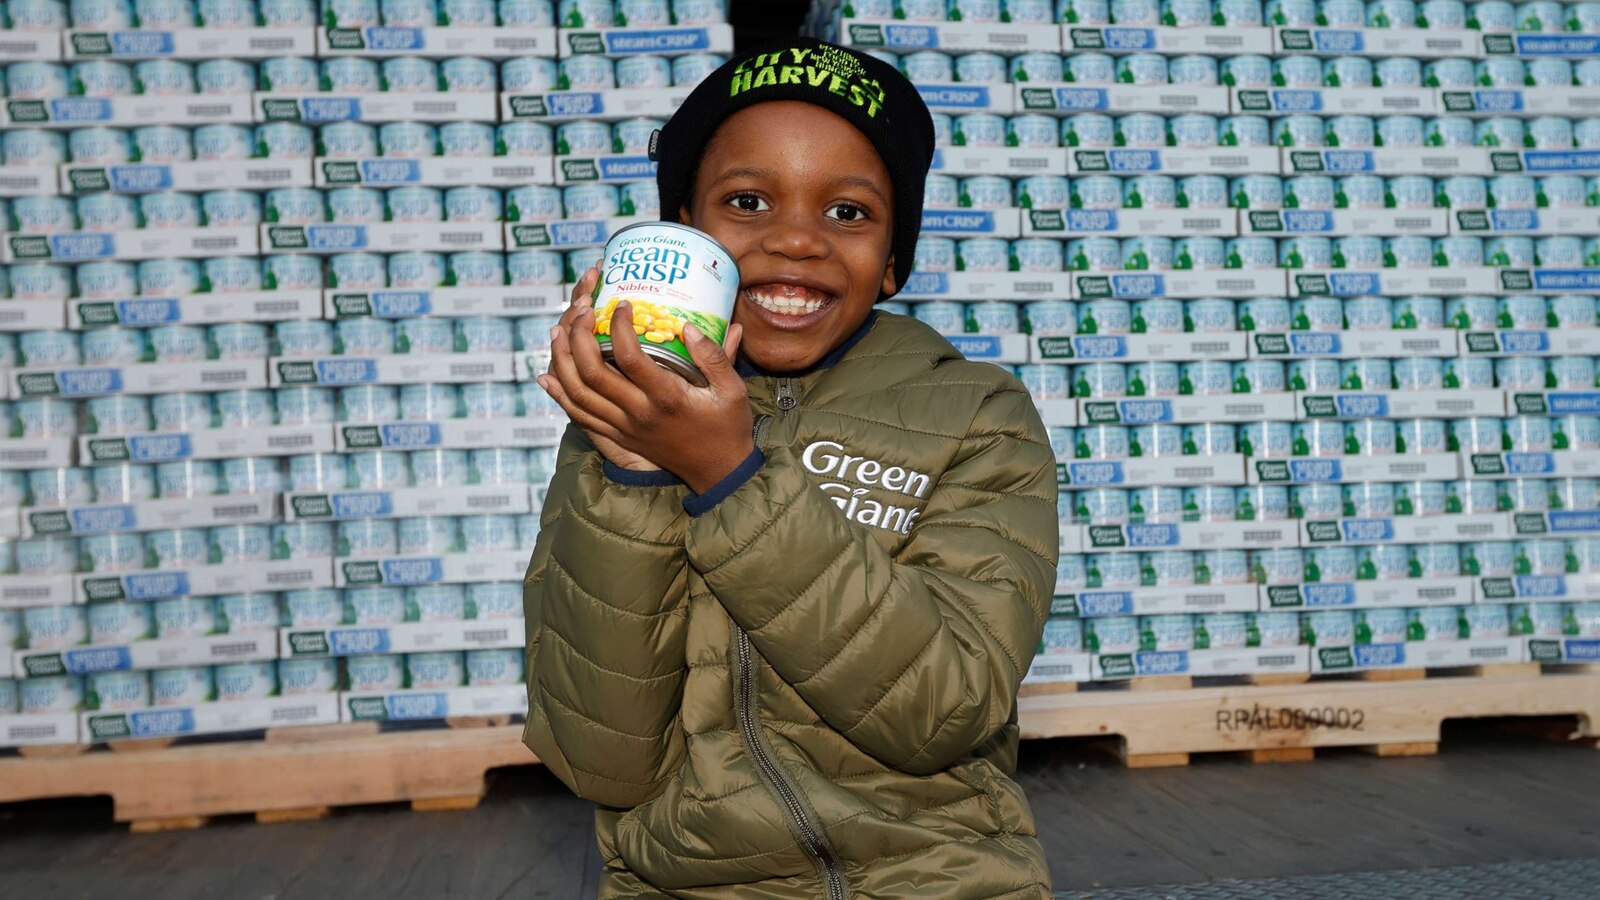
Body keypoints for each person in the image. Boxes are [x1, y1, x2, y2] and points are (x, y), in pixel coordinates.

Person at [523, 37, 1059, 898]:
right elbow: (601, 762)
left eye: (848, 212)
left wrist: (734, 480)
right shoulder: (618, 436)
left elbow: (943, 710)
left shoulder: (976, 415)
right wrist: (632, 480)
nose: (796, 239)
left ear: (892, 259)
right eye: (746, 200)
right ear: (684, 237)